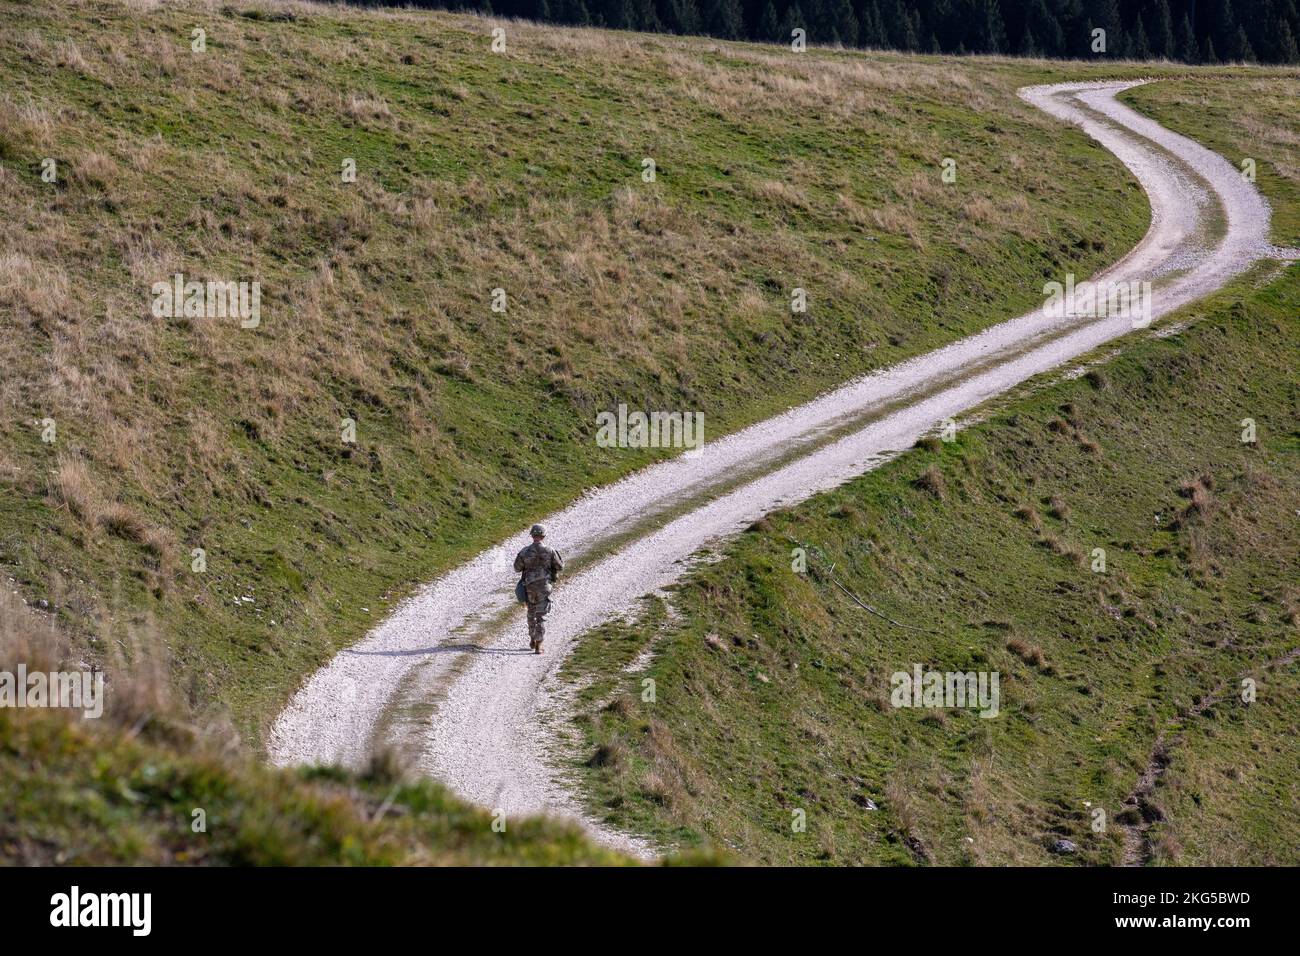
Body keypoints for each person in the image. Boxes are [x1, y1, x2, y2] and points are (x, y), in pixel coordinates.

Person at [514, 524, 562, 654]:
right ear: (543, 535)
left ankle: (532, 638)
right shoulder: (550, 551)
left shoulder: (524, 552)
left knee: (531, 613)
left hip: (529, 587)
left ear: (532, 535)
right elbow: (559, 566)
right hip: (544, 587)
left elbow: (517, 568)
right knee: (540, 616)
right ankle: (539, 645)